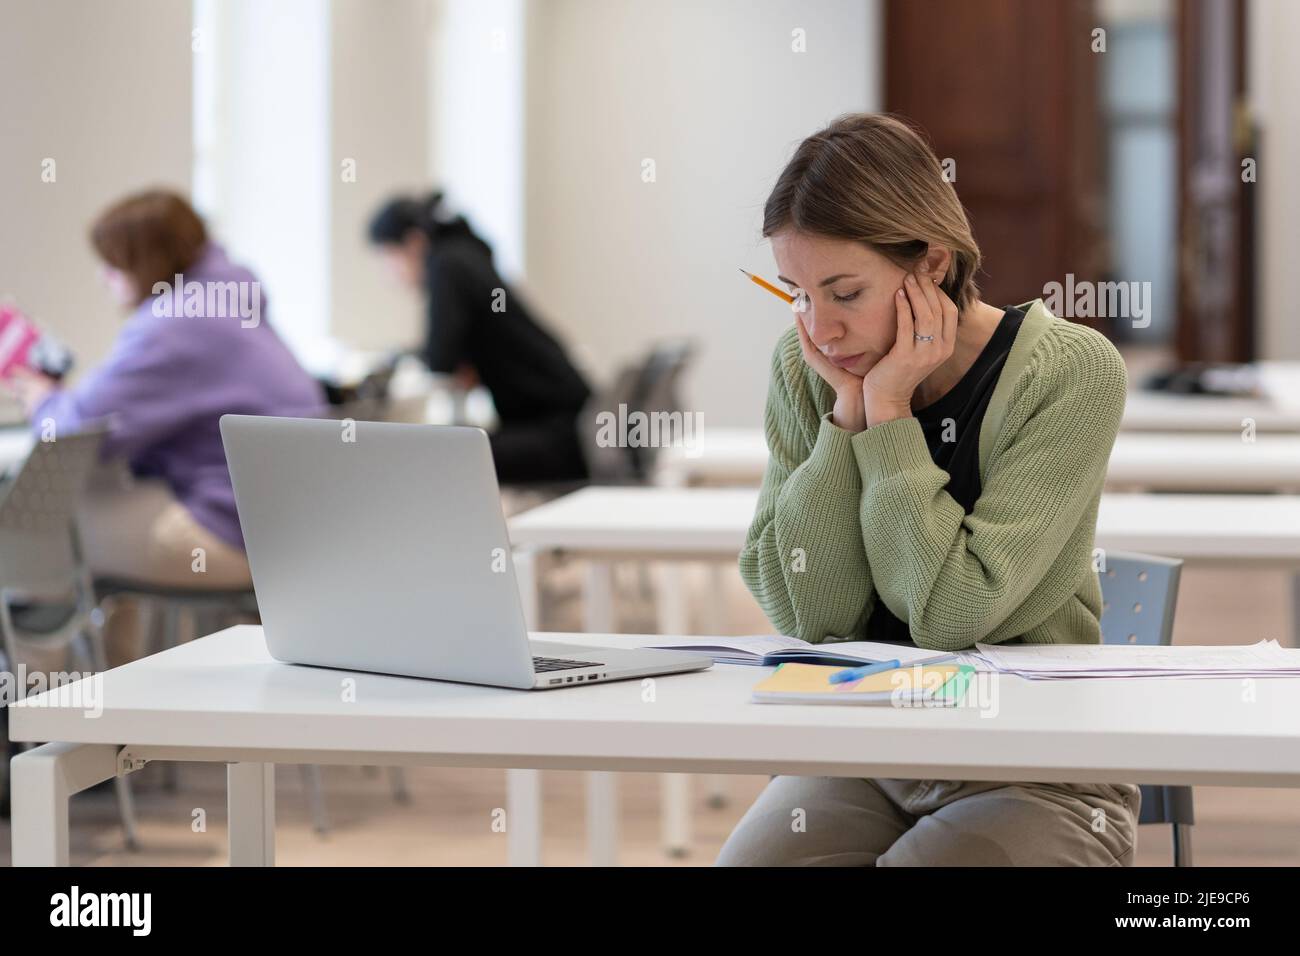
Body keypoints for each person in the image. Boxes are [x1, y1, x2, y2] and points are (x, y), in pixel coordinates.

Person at [717, 114, 1139, 866]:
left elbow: (951, 613)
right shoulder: (806, 367)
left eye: (844, 292)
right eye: (797, 294)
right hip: (868, 751)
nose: (821, 328)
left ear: (933, 266)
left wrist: (888, 416)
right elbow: (810, 614)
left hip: (1034, 763)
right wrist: (846, 413)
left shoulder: (1072, 372)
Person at [6, 189, 325, 591]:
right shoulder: (226, 298)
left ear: (143, 262)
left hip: (236, 536)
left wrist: (44, 401)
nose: (102, 277)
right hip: (299, 533)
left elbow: (74, 432)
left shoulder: (172, 324)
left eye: (112, 263)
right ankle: (115, 654)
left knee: (38, 532)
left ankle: (46, 656)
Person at [368, 192, 592, 483]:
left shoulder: (446, 265)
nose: (390, 275)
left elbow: (440, 360)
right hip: (569, 425)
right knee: (450, 453)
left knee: (438, 463)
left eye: (389, 257)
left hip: (558, 435)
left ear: (413, 243)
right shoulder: (466, 255)